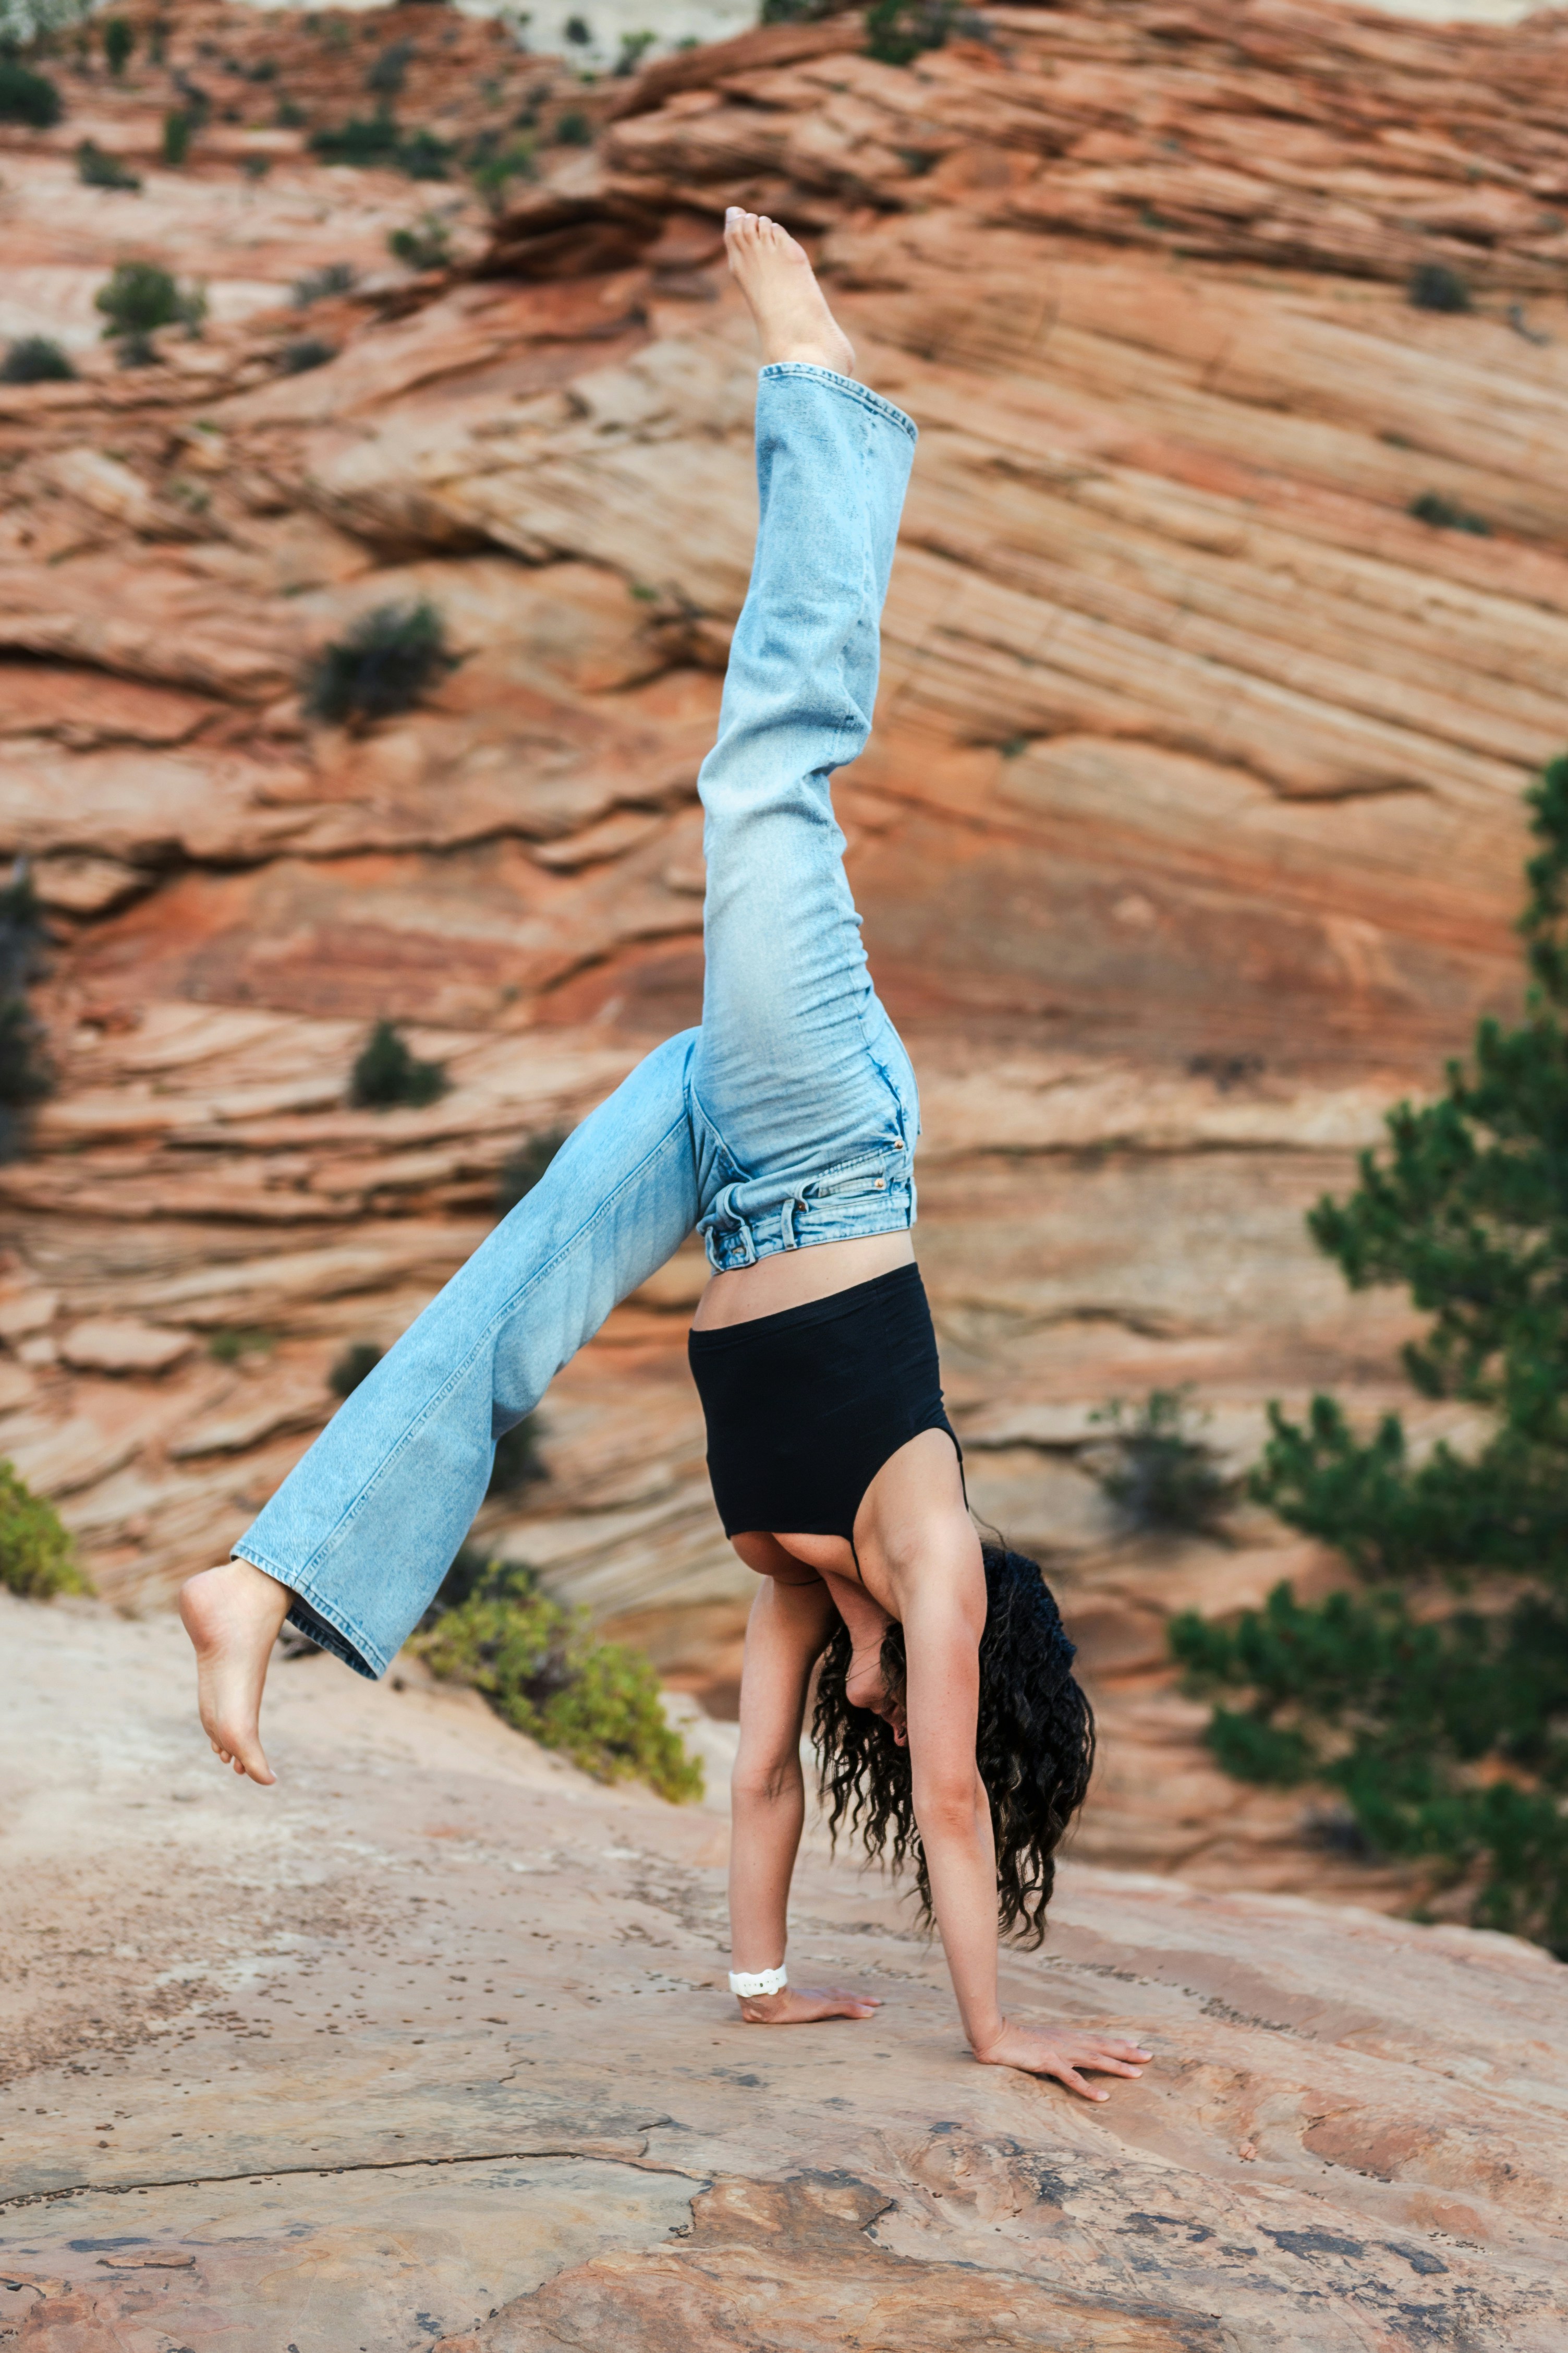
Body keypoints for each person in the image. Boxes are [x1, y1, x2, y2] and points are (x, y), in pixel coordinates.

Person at [180, 210, 1150, 2104]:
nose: (887, 1708)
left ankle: (268, 1583)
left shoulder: (811, 1585)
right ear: (976, 1648)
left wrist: (762, 1983)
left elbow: (767, 1777)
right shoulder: (931, 1551)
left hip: (726, 1141)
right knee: (771, 770)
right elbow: (951, 1798)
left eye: (882, 1695)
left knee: (516, 1296)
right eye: (921, 1695)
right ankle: (820, 390)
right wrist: (997, 2032)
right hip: (824, 1136)